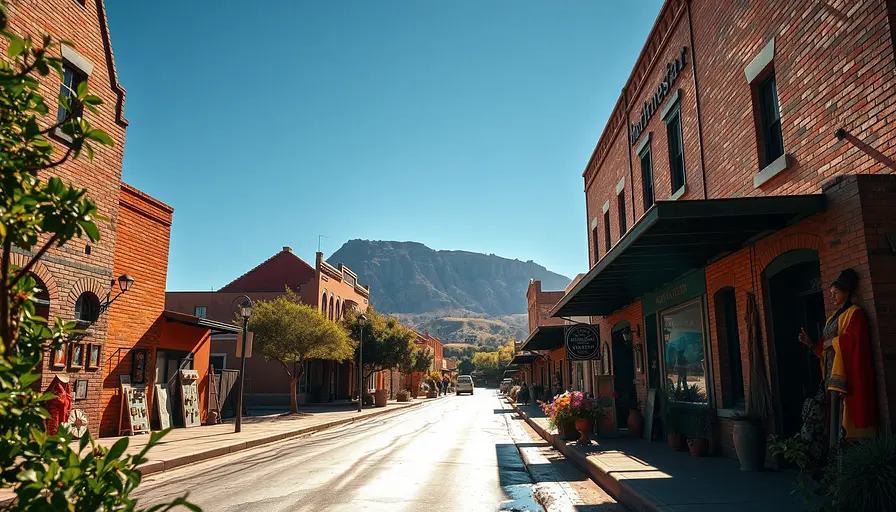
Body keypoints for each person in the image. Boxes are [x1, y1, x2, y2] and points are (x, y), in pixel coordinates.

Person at [798, 268, 877, 462]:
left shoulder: (854, 313)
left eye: (835, 293)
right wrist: (812, 344)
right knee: (824, 417)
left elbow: (853, 340)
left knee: (843, 417)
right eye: (831, 293)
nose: (832, 296)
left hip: (846, 377)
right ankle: (827, 466)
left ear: (847, 291)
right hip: (830, 377)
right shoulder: (833, 318)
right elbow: (822, 346)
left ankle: (845, 466)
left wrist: (831, 343)